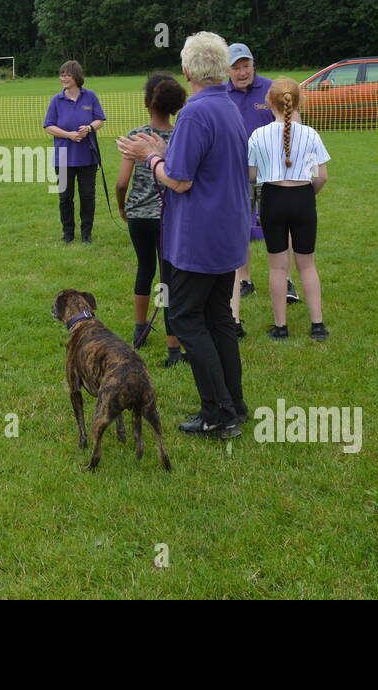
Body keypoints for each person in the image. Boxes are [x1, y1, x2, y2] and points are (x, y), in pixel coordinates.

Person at [118, 32, 251, 437]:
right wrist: (164, 149)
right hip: (226, 232)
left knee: (188, 319)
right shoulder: (227, 105)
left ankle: (218, 412)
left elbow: (178, 180)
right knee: (219, 318)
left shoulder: (195, 112)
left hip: (199, 238)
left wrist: (150, 155)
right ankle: (234, 405)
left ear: (187, 70)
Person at [248, 78, 330, 341]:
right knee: (307, 265)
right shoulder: (311, 134)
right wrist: (307, 195)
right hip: (303, 198)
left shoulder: (258, 135)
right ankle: (317, 324)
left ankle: (281, 327)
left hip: (272, 199)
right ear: (299, 102)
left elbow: (251, 175)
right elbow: (322, 176)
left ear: (269, 102)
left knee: (277, 267)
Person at [115, 72, 186, 364]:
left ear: (146, 103)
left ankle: (139, 329)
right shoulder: (181, 137)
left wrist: (123, 208)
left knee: (144, 269)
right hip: (168, 219)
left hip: (139, 217)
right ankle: (173, 348)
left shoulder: (136, 136)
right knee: (168, 279)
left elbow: (121, 183)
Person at [227, 42, 298, 321]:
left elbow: (290, 124)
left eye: (246, 65)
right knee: (239, 226)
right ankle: (244, 280)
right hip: (238, 173)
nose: (242, 72)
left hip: (272, 172)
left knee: (278, 226)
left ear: (253, 65)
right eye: (236, 67)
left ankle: (287, 279)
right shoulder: (223, 94)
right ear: (227, 70)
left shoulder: (273, 89)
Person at [44, 60, 106, 243]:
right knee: (65, 198)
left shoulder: (90, 97)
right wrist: (68, 135)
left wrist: (88, 128)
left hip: (87, 157)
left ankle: (86, 234)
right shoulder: (56, 100)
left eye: (67, 75)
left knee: (87, 196)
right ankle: (68, 234)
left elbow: (100, 120)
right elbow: (48, 126)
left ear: (76, 76)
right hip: (63, 158)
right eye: (61, 75)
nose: (63, 78)